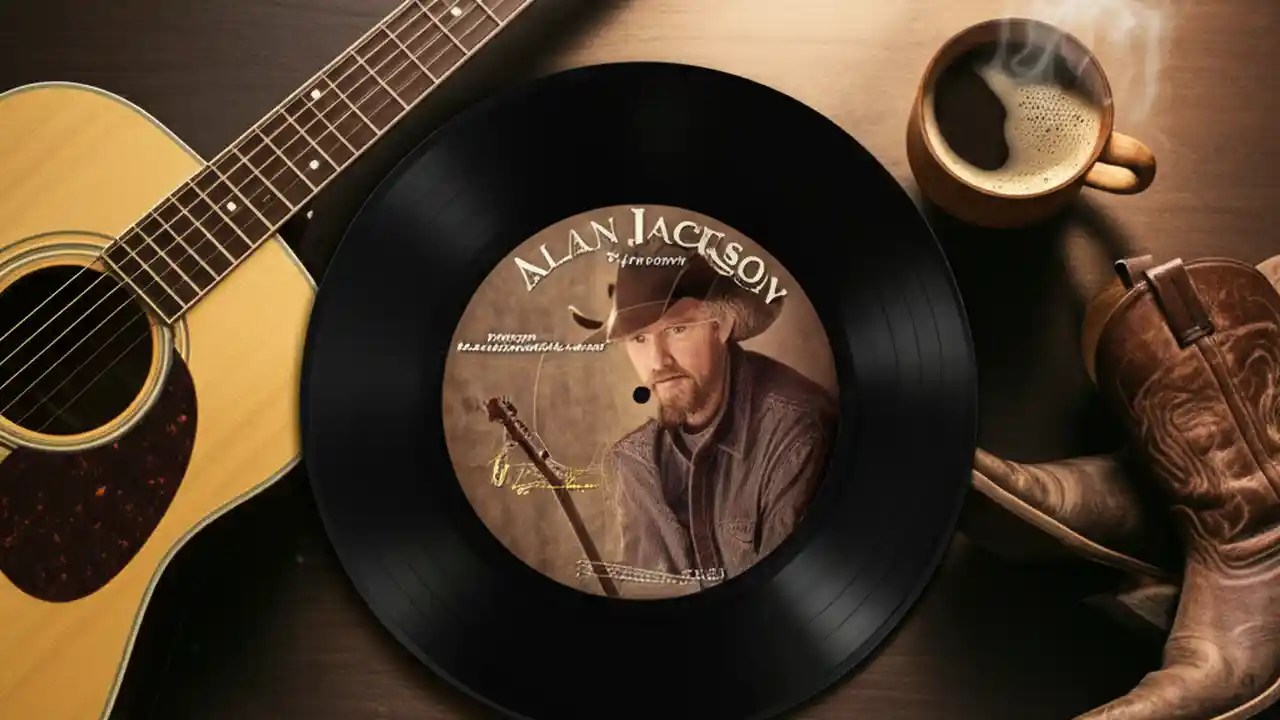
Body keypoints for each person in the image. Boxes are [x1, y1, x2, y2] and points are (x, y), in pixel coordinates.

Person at [569, 247, 836, 587]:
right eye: (639, 338)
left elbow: (787, 606)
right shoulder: (635, 464)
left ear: (721, 326)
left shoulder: (796, 433)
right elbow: (648, 597)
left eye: (677, 329)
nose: (657, 360)